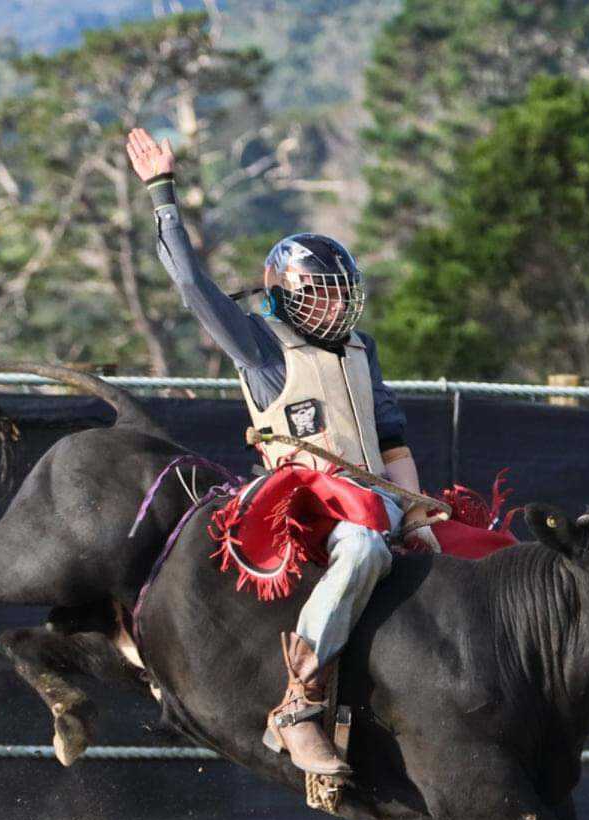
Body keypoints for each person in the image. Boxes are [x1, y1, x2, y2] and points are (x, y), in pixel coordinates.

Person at [125, 126, 437, 778]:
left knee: (456, 554)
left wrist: (419, 516)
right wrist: (163, 192)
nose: (335, 304)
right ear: (289, 294)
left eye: (341, 291)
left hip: (375, 496)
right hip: (305, 506)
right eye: (320, 292)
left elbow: (391, 436)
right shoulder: (261, 345)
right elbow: (189, 284)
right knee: (364, 549)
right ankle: (299, 704)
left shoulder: (360, 347)